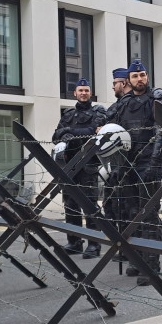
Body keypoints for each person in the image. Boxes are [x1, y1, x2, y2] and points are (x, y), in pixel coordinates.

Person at [105, 59, 162, 285]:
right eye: (135, 76)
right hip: (128, 165)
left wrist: (155, 163)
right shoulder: (124, 103)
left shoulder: (157, 98)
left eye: (142, 75)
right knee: (131, 213)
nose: (139, 79)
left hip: (148, 164)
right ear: (129, 80)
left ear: (147, 77)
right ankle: (138, 259)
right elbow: (114, 132)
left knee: (149, 215)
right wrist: (117, 166)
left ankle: (152, 265)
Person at [52, 78, 106, 258]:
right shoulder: (67, 115)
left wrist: (70, 133)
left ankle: (94, 245)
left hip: (88, 165)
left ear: (90, 93)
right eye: (80, 90)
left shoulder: (98, 112)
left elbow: (95, 132)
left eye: (86, 90)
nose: (83, 93)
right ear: (75, 93)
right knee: (71, 205)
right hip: (69, 165)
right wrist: (66, 133)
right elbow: (55, 135)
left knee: (89, 205)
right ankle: (74, 242)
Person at [103, 67, 131, 236]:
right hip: (113, 165)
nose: (113, 87)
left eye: (115, 83)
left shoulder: (133, 104)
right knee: (112, 206)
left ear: (124, 82)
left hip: (127, 164)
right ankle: (119, 242)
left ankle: (129, 247)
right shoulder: (114, 107)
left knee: (126, 208)